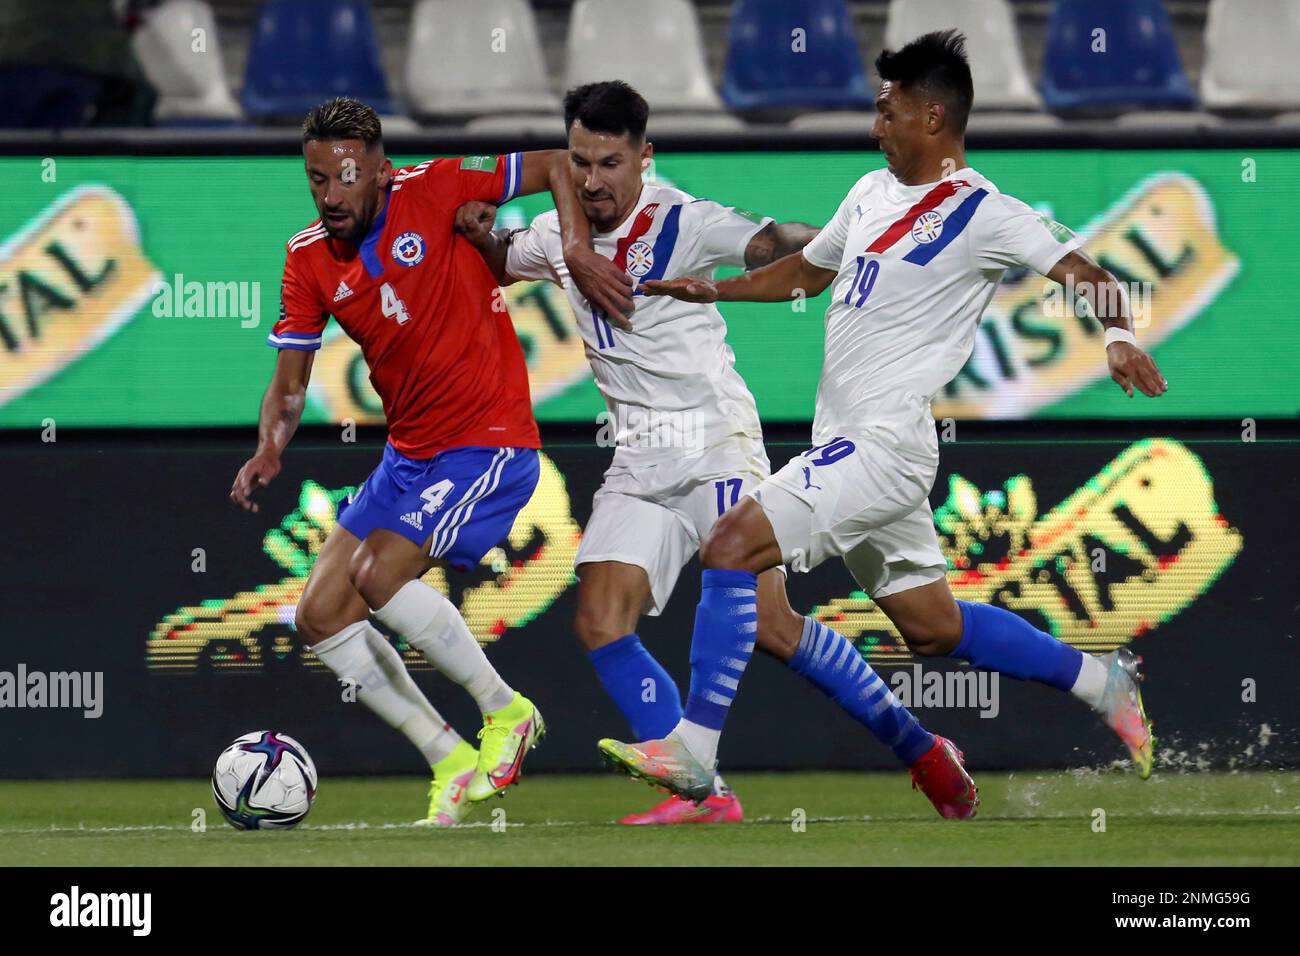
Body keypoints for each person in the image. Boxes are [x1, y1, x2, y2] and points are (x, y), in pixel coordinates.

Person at [603, 31, 1165, 801]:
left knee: (731, 544)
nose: (877, 125)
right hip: (847, 441)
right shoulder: (869, 192)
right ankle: (1103, 681)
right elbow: (807, 270)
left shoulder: (987, 212)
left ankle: (695, 750)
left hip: (886, 443)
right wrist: (718, 289)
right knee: (932, 629)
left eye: (887, 111)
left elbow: (1085, 272)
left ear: (932, 118)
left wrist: (1120, 335)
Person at [455, 80, 979, 824]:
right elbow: (500, 257)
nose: (593, 180)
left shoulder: (684, 219)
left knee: (772, 627)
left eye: (610, 162)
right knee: (602, 619)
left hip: (715, 444)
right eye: (580, 163)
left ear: (645, 157)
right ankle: (705, 794)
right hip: (639, 458)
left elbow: (773, 241)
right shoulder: (554, 234)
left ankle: (924, 751)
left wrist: (837, 241)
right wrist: (480, 230)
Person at [229, 96, 634, 826]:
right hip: (409, 456)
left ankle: (505, 712)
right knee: (318, 614)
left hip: (489, 439)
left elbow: (551, 166)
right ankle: (446, 754)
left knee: (377, 576)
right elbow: (289, 386)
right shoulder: (306, 260)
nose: (331, 195)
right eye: (317, 179)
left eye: (346, 177)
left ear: (380, 171)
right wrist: (269, 447)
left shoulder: (439, 187)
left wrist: (574, 249)